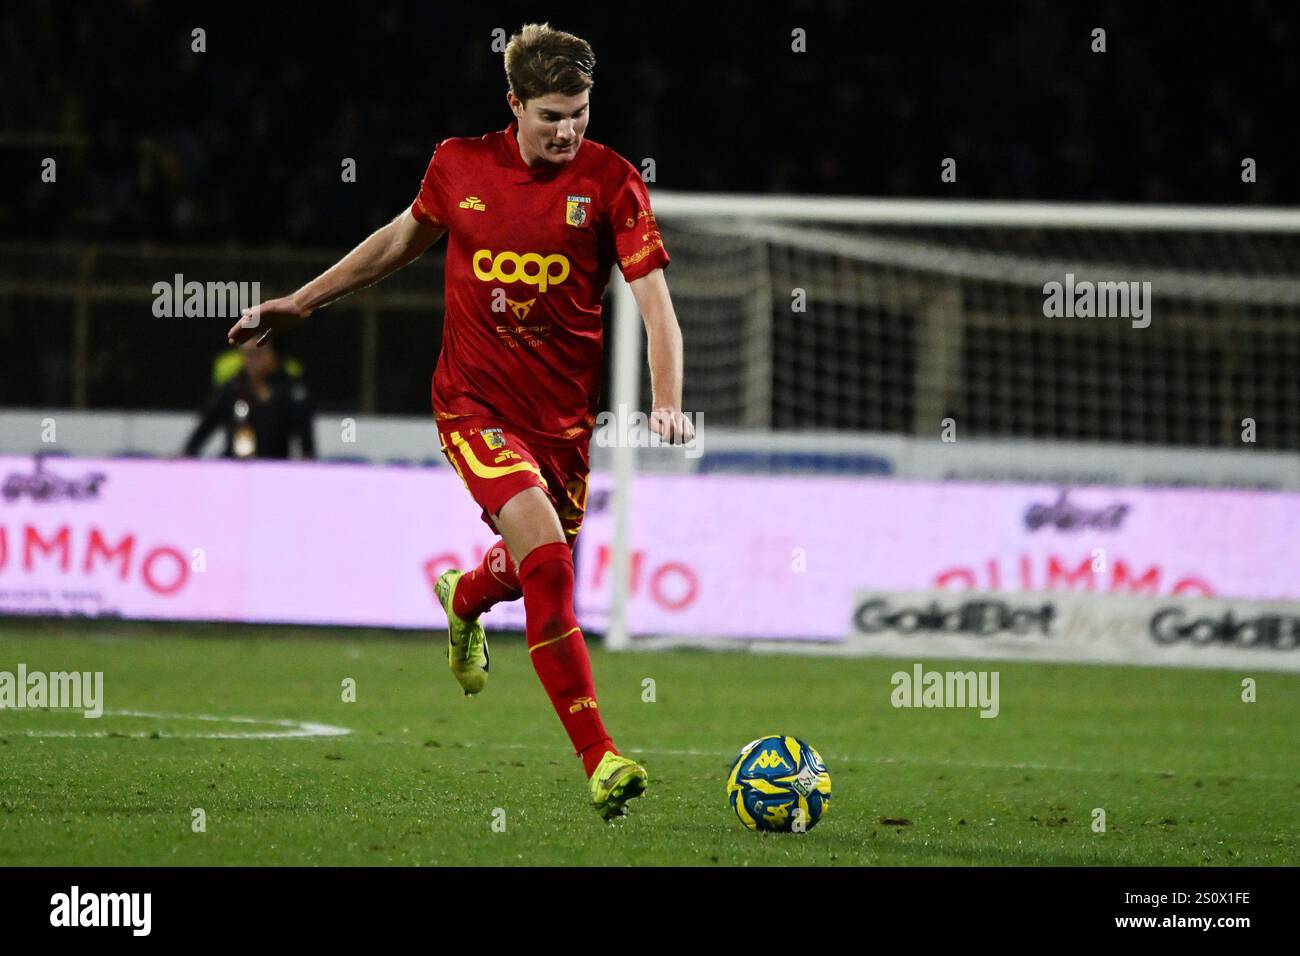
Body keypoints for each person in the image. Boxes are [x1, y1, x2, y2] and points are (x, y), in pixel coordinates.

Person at [226, 22, 693, 820]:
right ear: (513, 104)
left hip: (562, 423)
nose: (567, 128)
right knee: (549, 563)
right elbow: (399, 242)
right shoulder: (459, 165)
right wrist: (303, 300)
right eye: (550, 114)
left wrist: (668, 402)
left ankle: (466, 595)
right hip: (473, 405)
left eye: (578, 111)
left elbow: (657, 307)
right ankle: (600, 757)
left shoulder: (612, 182)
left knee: (531, 565)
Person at [183, 337, 315, 460]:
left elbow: (305, 439)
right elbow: (204, 427)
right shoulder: (232, 386)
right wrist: (187, 454)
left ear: (273, 354)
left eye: (257, 354)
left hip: (274, 467)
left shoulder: (290, 390)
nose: (251, 361)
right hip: (234, 465)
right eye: (246, 354)